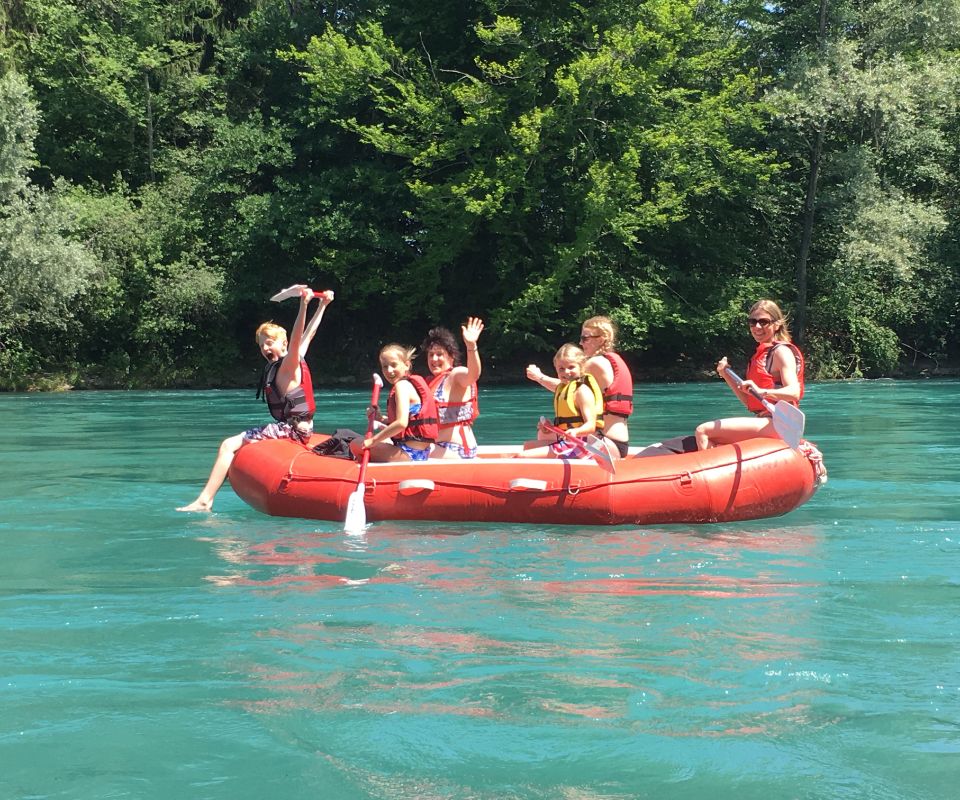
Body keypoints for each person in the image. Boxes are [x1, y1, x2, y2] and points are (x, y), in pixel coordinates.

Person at [177, 287, 333, 511]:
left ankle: (204, 500)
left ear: (284, 344)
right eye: (261, 344)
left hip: (291, 431)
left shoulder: (288, 365)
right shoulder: (291, 362)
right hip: (301, 430)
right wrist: (323, 305)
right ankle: (204, 500)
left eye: (269, 342)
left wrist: (304, 304)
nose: (265, 347)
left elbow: (300, 334)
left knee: (228, 445)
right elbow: (310, 334)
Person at [694, 299, 805, 450]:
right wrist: (725, 374)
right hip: (763, 420)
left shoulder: (781, 352)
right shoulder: (759, 355)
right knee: (716, 439)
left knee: (703, 431)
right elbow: (749, 402)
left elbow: (794, 392)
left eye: (764, 322)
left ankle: (705, 472)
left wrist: (762, 392)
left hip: (779, 423)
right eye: (752, 322)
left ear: (777, 324)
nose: (757, 327)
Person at [525, 315, 633, 458]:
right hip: (615, 442)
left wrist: (539, 377)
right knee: (537, 440)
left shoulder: (594, 364)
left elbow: (569, 389)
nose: (581, 343)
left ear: (600, 339)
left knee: (529, 452)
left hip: (603, 443)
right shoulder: (611, 361)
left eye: (585, 338)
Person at [350, 343, 439, 462]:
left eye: (393, 365)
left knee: (355, 444)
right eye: (385, 366)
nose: (389, 370)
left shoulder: (401, 386)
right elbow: (408, 420)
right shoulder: (409, 384)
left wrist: (373, 441)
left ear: (406, 365)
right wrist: (381, 418)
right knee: (375, 442)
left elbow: (401, 423)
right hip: (420, 453)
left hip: (409, 454)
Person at [518, 343, 603, 459]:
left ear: (581, 367)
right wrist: (550, 427)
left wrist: (576, 432)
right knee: (528, 447)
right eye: (561, 369)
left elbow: (591, 426)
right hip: (569, 443)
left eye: (571, 367)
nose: (566, 372)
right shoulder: (562, 389)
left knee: (522, 456)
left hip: (584, 445)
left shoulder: (582, 391)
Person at [420, 317, 484, 459]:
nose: (434, 359)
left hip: (456, 450)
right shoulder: (430, 382)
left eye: (439, 354)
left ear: (451, 357)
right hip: (438, 448)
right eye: (431, 355)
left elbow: (473, 375)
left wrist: (471, 346)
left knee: (408, 449)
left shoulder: (456, 375)